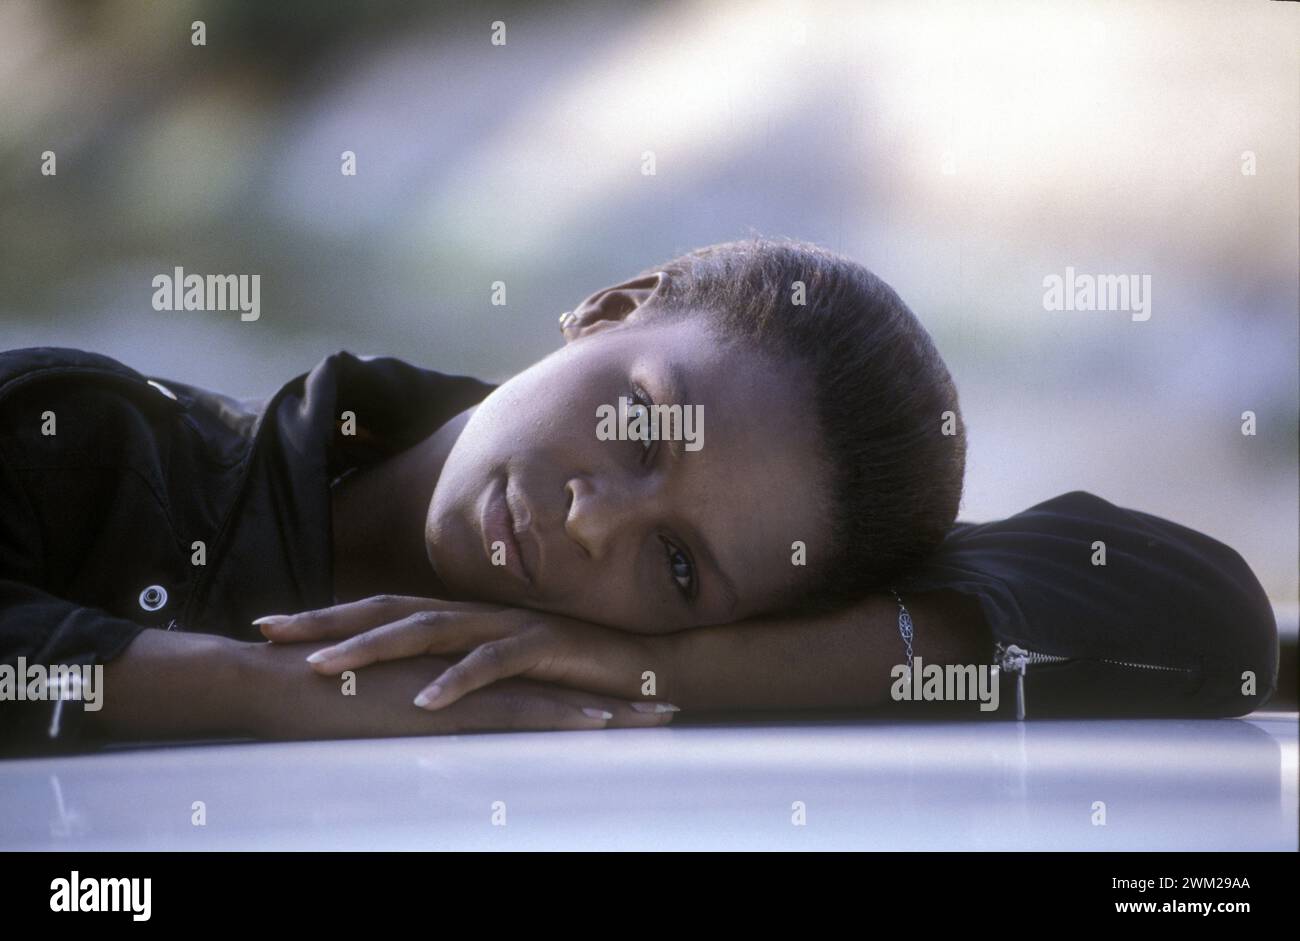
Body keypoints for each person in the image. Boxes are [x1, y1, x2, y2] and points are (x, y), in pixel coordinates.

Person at [0, 239, 1278, 753]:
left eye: (677, 567)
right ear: (610, 307)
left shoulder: (650, 664)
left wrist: (651, 669)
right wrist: (282, 688)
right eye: (642, 425)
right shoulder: (92, 446)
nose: (594, 522)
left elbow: (1209, 625)